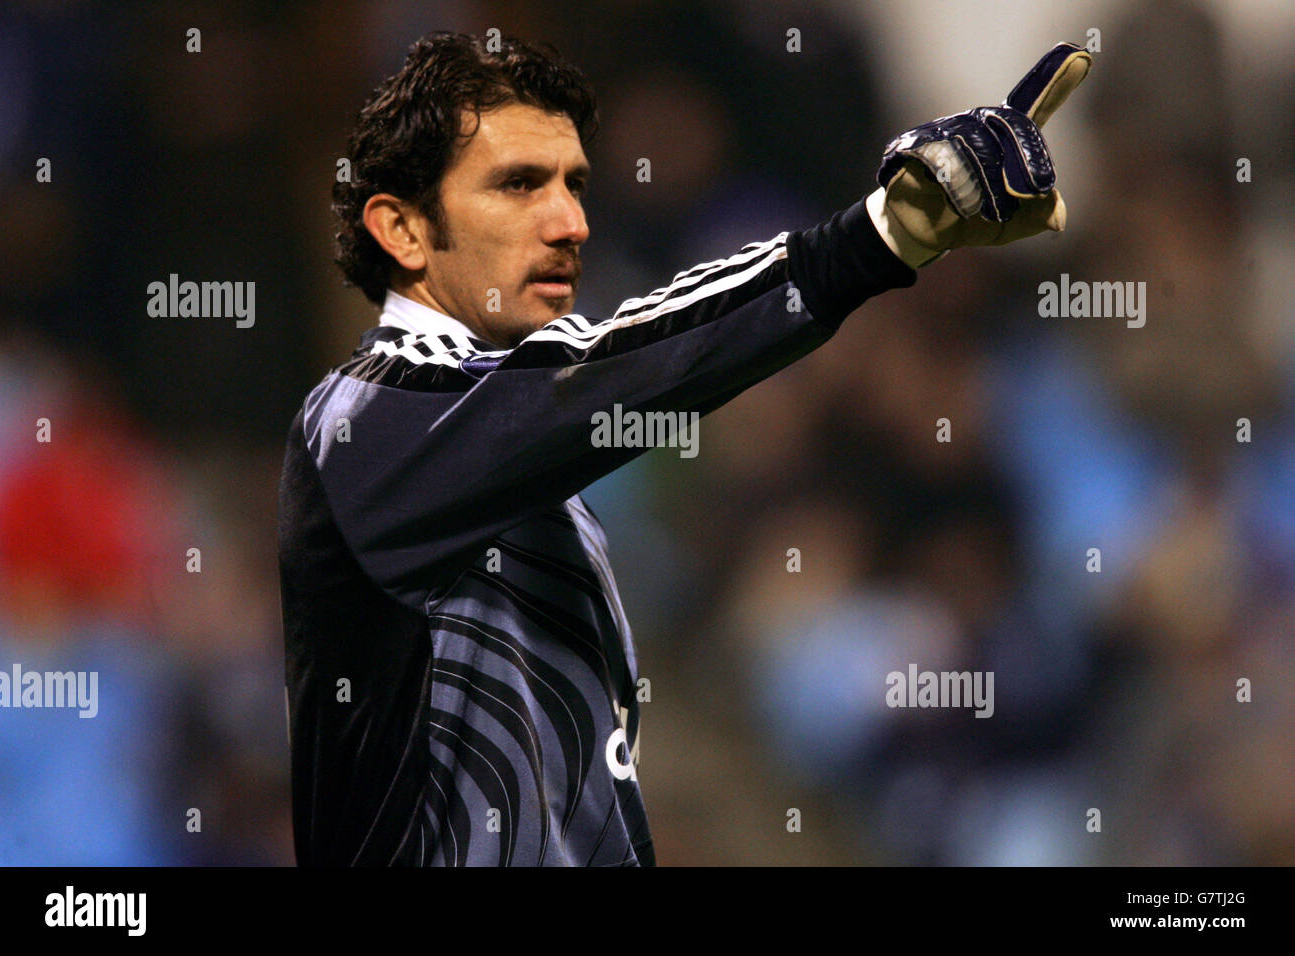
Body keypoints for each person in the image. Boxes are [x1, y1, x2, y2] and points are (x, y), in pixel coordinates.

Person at [278, 30, 1089, 866]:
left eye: (574, 185)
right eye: (519, 184)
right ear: (403, 230)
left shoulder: (516, 464)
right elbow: (601, 377)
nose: (569, 222)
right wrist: (875, 241)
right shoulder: (365, 423)